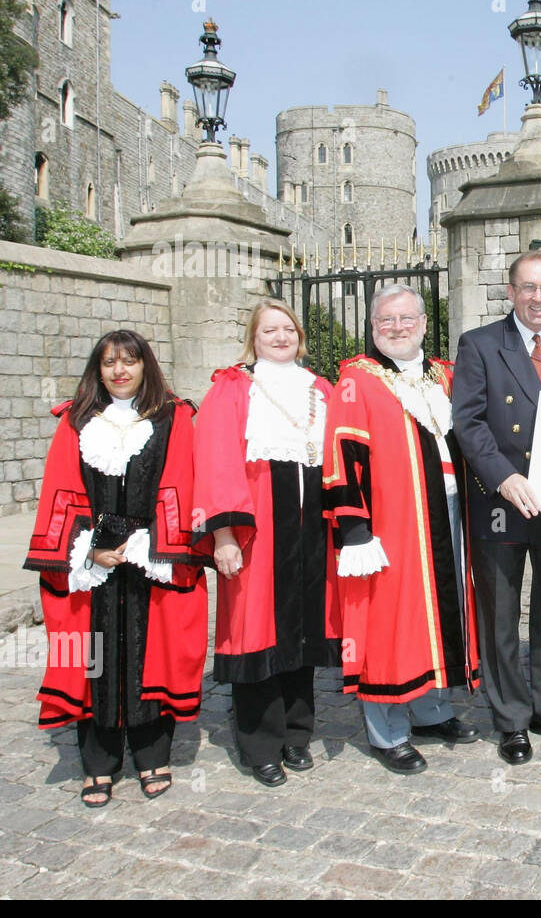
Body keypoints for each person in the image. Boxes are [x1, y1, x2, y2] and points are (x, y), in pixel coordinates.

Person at [24, 330, 207, 806]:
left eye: (129, 361)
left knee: (154, 655)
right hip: (94, 560)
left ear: (146, 365)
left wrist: (151, 543)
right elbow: (60, 491)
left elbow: (183, 481)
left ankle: (151, 754)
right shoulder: (76, 420)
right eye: (109, 363)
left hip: (152, 557)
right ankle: (99, 763)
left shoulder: (174, 416)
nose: (120, 371)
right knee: (91, 658)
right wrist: (88, 551)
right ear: (98, 369)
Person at [322, 284, 480, 775]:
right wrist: (353, 529)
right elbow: (340, 456)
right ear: (372, 328)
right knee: (391, 622)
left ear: (424, 324)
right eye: (385, 321)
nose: (396, 328)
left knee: (440, 612)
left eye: (406, 319)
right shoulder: (358, 381)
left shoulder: (445, 376)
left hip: (452, 513)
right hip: (392, 524)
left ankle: (432, 711)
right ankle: (387, 730)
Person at [452, 252, 541, 766]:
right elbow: (467, 424)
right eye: (527, 287)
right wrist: (504, 477)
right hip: (501, 499)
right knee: (501, 615)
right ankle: (511, 719)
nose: (538, 297)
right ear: (510, 292)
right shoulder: (480, 344)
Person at [192, 299, 341, 787]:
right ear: (253, 339)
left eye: (288, 329)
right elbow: (216, 463)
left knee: (300, 633)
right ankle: (260, 745)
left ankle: (297, 735)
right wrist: (224, 536)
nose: (280, 337)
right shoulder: (233, 390)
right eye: (269, 331)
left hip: (311, 534)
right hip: (257, 534)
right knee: (254, 634)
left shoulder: (321, 389)